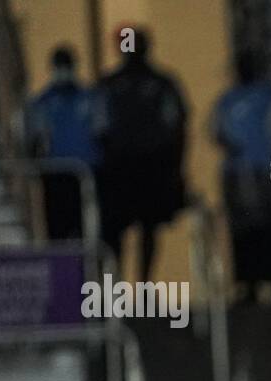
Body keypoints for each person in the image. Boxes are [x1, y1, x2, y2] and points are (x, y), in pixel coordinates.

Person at [94, 28, 188, 280]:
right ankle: (124, 286)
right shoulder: (114, 85)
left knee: (140, 229)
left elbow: (176, 126)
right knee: (126, 230)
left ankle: (137, 286)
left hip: (141, 166)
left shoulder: (155, 83)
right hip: (131, 167)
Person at [211, 51, 271, 304]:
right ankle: (249, 282)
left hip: (266, 168)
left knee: (269, 224)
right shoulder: (229, 99)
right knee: (245, 228)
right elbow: (217, 131)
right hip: (240, 170)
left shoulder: (269, 96)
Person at [25, 46, 99, 241]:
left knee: (86, 230)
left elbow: (102, 133)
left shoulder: (89, 99)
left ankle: (86, 269)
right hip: (55, 175)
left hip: (85, 175)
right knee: (57, 231)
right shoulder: (42, 103)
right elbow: (33, 140)